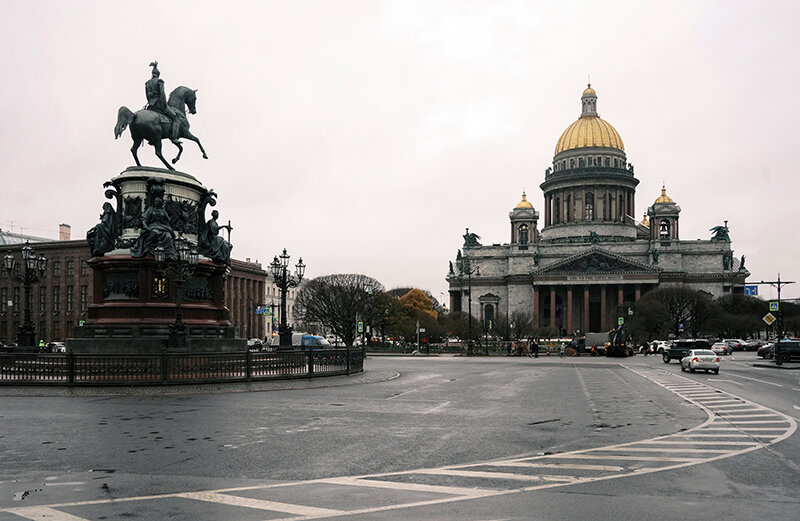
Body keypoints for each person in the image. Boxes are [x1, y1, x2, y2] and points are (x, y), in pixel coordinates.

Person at [145, 61, 180, 143]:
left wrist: (151, 102)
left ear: (152, 74)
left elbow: (147, 95)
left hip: (151, 105)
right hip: (160, 104)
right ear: (158, 74)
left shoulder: (147, 83)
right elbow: (162, 93)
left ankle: (151, 139)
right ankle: (174, 138)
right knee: (176, 118)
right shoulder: (159, 81)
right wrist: (164, 104)